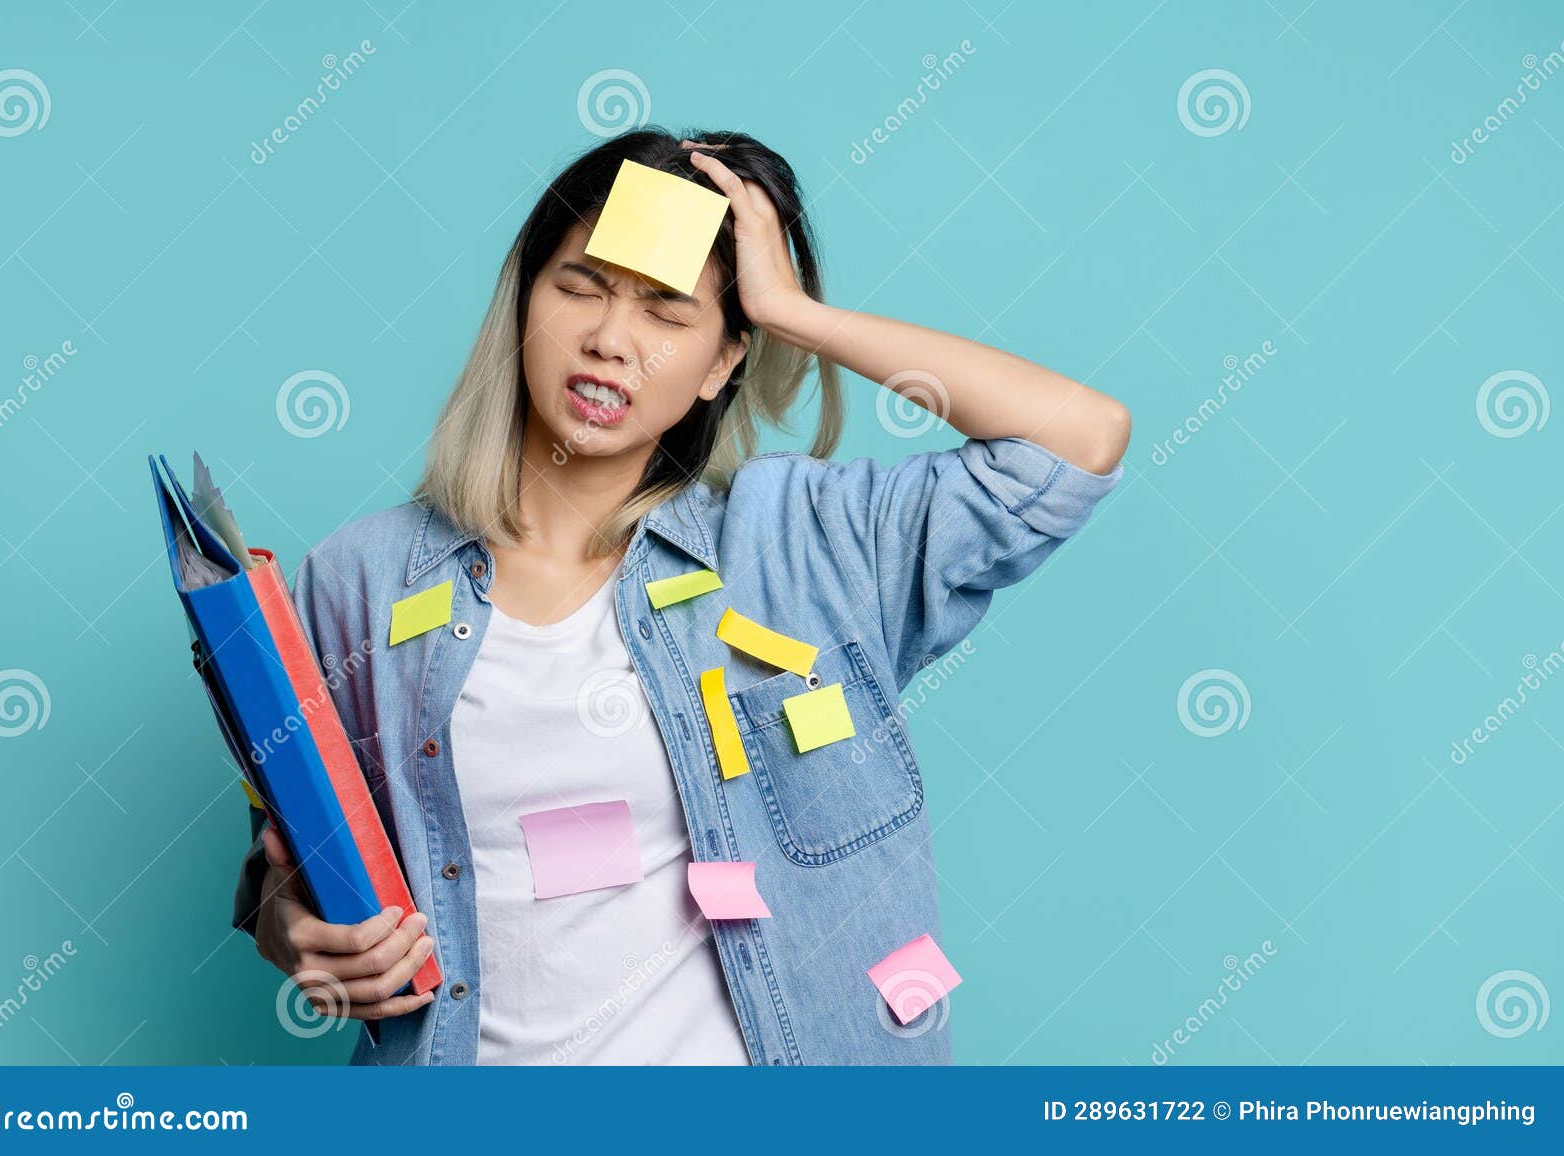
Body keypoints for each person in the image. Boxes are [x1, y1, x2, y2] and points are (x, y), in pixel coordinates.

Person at [231, 127, 1130, 1065]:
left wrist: (790, 310)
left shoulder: (802, 541)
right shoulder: (357, 577)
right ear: (522, 307)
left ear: (720, 365)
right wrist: (289, 932)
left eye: (667, 312)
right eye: (579, 287)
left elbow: (1078, 443)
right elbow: (288, 857)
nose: (611, 340)